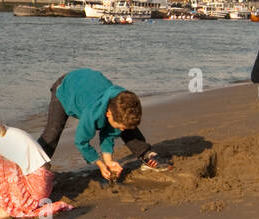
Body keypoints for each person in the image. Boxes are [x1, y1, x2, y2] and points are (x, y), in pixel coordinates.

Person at [36, 68, 173, 176]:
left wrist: (109, 161)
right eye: (119, 128)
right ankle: (33, 167)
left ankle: (145, 154)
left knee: (127, 122)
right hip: (65, 88)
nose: (121, 131)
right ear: (108, 114)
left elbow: (109, 133)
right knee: (53, 132)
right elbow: (81, 142)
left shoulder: (122, 99)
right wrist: (100, 164)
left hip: (88, 85)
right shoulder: (91, 114)